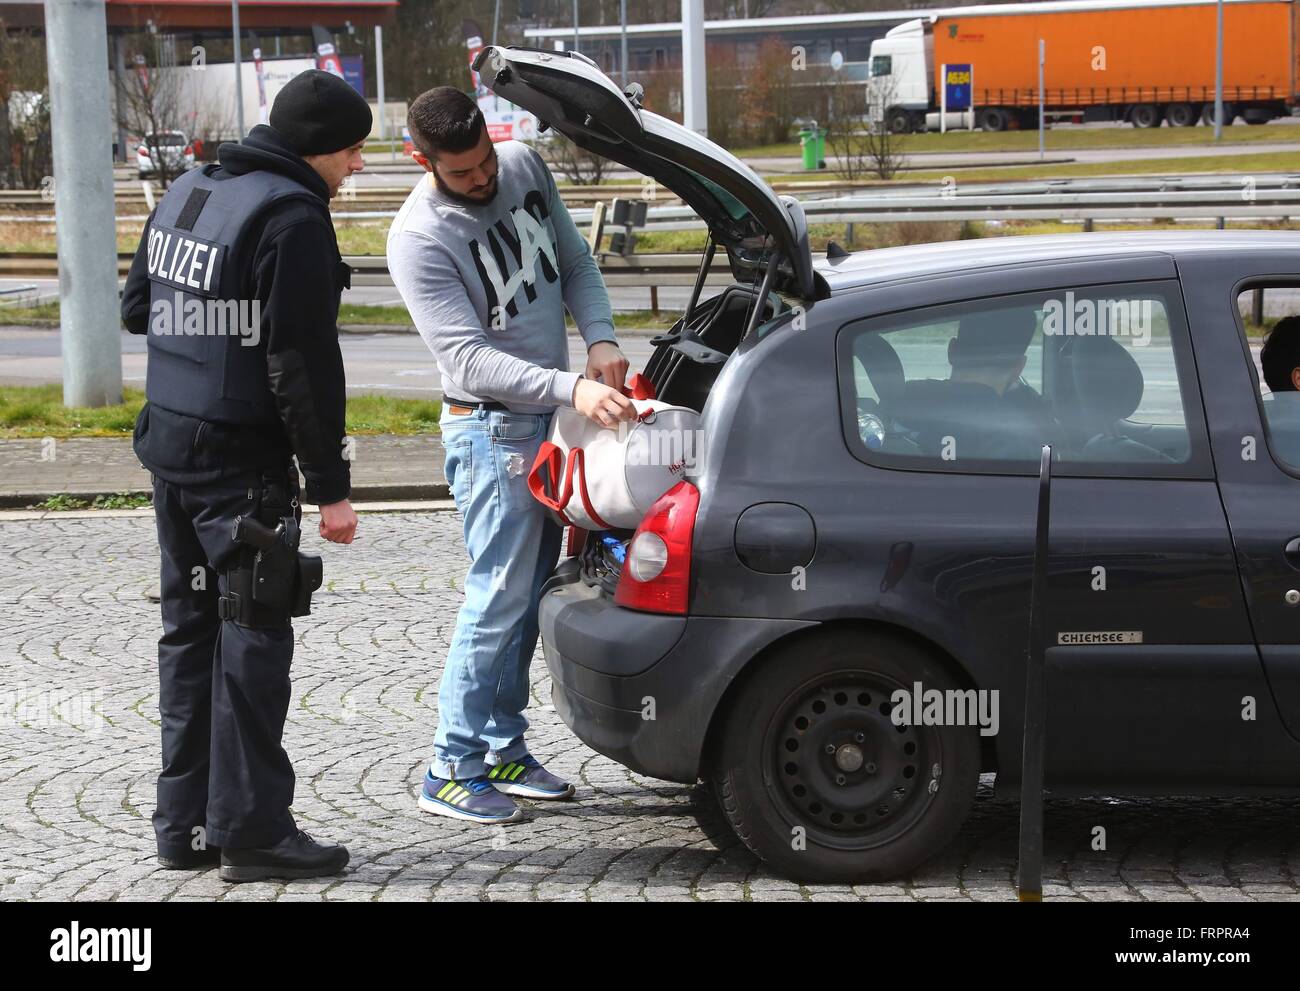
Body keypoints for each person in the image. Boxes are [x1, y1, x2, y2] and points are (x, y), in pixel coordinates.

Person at [121, 69, 369, 882]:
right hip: (242, 471)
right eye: (353, 151)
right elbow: (300, 363)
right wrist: (330, 484)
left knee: (189, 637)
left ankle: (184, 826)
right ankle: (254, 830)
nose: (358, 166)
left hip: (172, 450)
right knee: (253, 645)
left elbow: (138, 309)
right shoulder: (291, 217)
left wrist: (214, 327)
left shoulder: (191, 187)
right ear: (318, 149)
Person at [387, 86, 634, 824]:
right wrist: (570, 387)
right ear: (420, 159)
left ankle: (501, 747)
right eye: (462, 173)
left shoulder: (523, 165)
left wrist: (602, 339)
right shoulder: (417, 237)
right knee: (495, 600)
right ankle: (449, 765)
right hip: (489, 431)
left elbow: (575, 263)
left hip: (546, 424)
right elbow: (466, 359)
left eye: (485, 161)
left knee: (526, 601)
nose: (482, 180)